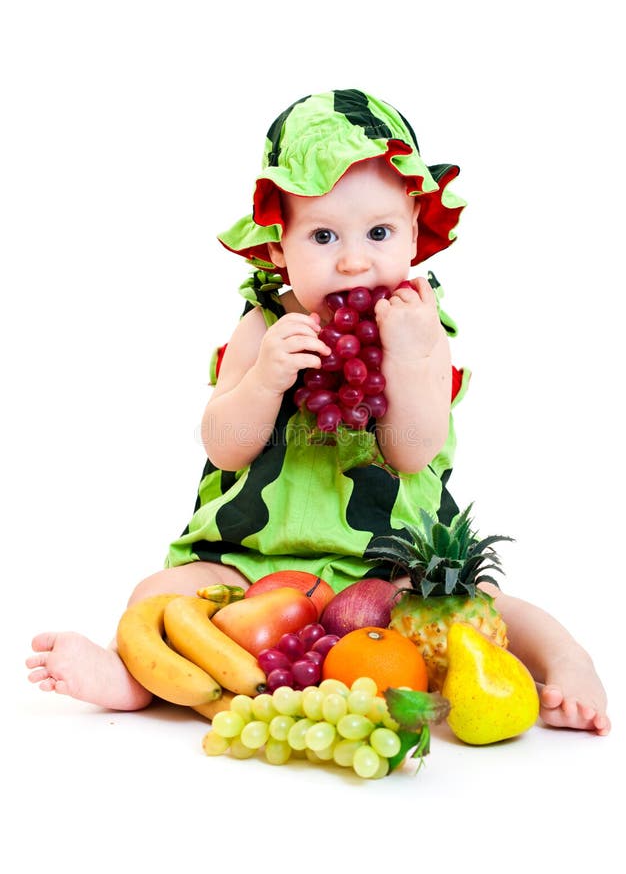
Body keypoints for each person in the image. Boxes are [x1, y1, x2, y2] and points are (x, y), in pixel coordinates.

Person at [26, 89, 609, 734]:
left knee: (482, 602)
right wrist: (265, 379)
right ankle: (132, 673)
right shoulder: (263, 326)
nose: (354, 260)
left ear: (414, 230)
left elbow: (412, 451)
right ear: (279, 246)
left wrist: (407, 357)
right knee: (159, 596)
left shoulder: (420, 329)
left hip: (389, 565)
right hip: (252, 558)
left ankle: (565, 659)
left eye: (379, 233)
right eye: (323, 235)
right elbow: (224, 446)